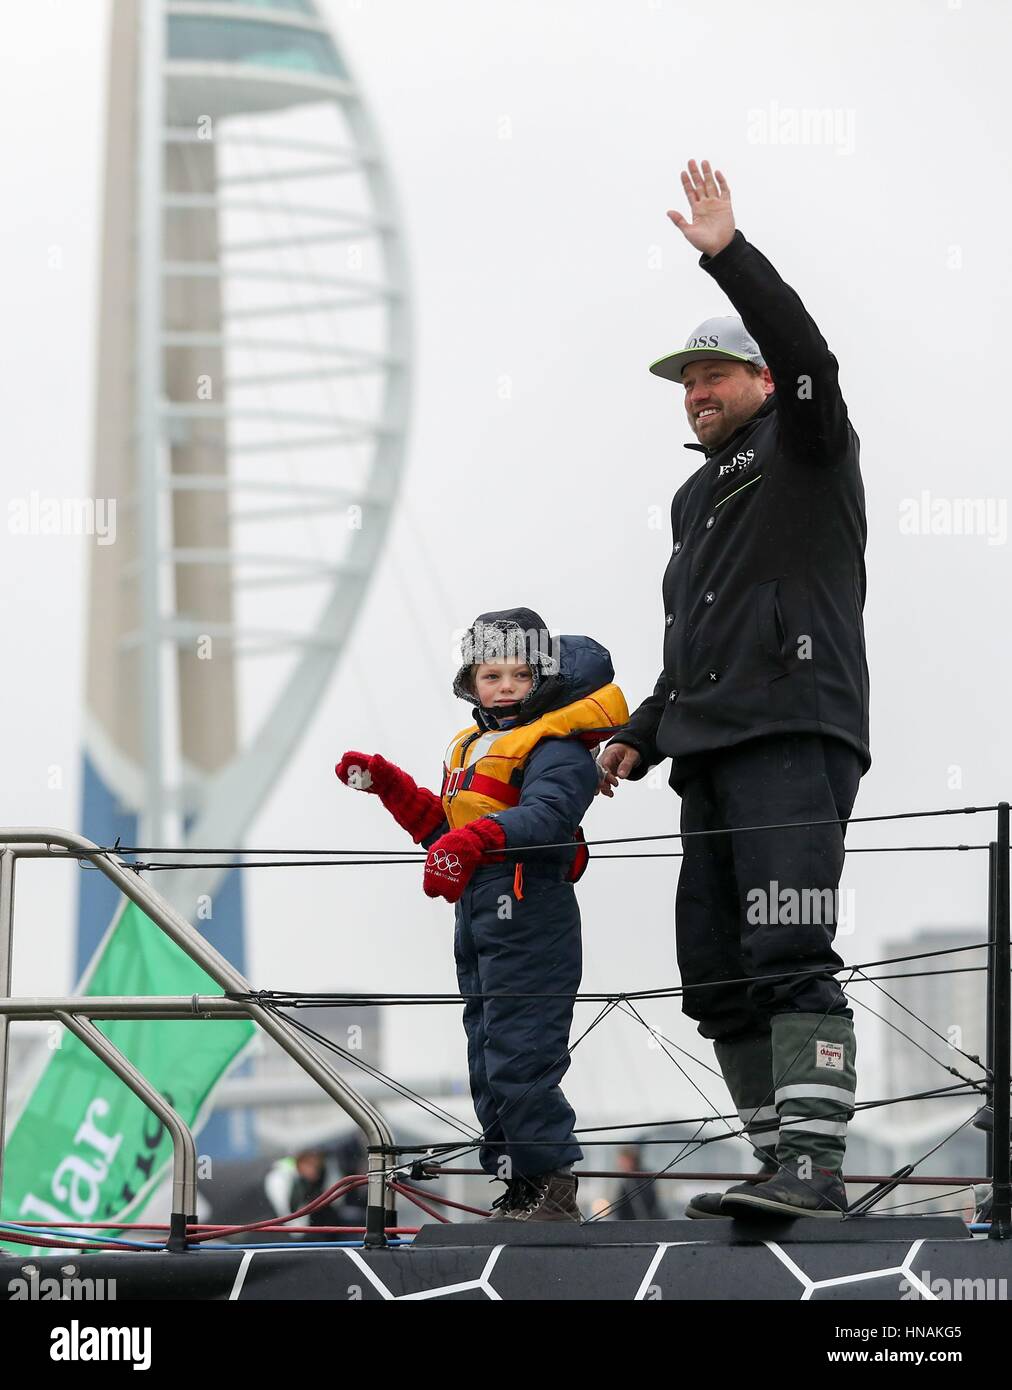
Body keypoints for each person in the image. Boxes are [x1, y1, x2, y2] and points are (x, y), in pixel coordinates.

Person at [599, 160, 870, 1219]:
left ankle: (816, 1166)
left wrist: (726, 252)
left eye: (714, 373)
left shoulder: (807, 445)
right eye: (685, 381)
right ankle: (774, 1165)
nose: (697, 392)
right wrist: (642, 731)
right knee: (716, 973)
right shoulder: (691, 494)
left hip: (794, 734)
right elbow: (692, 638)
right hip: (707, 751)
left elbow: (809, 352)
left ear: (761, 381)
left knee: (788, 940)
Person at [336, 608, 628, 1222]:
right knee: (486, 1058)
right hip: (478, 920)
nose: (502, 687)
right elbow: (443, 827)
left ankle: (552, 1185)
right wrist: (389, 784)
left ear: (541, 681)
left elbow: (548, 819)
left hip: (531, 912)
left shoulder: (558, 748)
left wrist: (472, 843)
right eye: (489, 674)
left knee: (522, 1054)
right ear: (471, 681)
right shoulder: (472, 748)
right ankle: (518, 1184)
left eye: (518, 676)